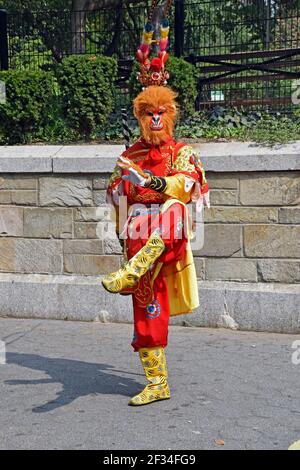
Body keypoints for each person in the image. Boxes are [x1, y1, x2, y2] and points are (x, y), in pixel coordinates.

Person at [102, 19, 209, 407]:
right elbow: (114, 191)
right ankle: (157, 382)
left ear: (172, 114)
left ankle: (137, 267)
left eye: (162, 111)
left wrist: (149, 181)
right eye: (149, 113)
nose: (156, 119)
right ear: (140, 117)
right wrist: (125, 183)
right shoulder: (128, 154)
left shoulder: (183, 151)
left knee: (174, 207)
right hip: (138, 236)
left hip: (168, 236)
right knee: (148, 305)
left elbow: (186, 185)